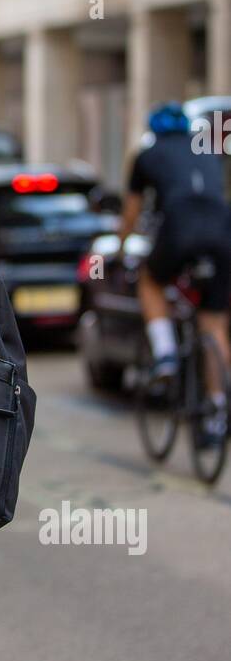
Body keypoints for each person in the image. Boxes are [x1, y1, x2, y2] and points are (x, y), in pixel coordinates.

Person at [118, 101, 231, 445]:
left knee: (151, 281)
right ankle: (217, 410)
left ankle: (166, 354)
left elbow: (131, 215)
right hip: (223, 232)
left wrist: (122, 245)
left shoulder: (146, 155)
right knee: (214, 323)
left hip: (179, 228)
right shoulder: (207, 152)